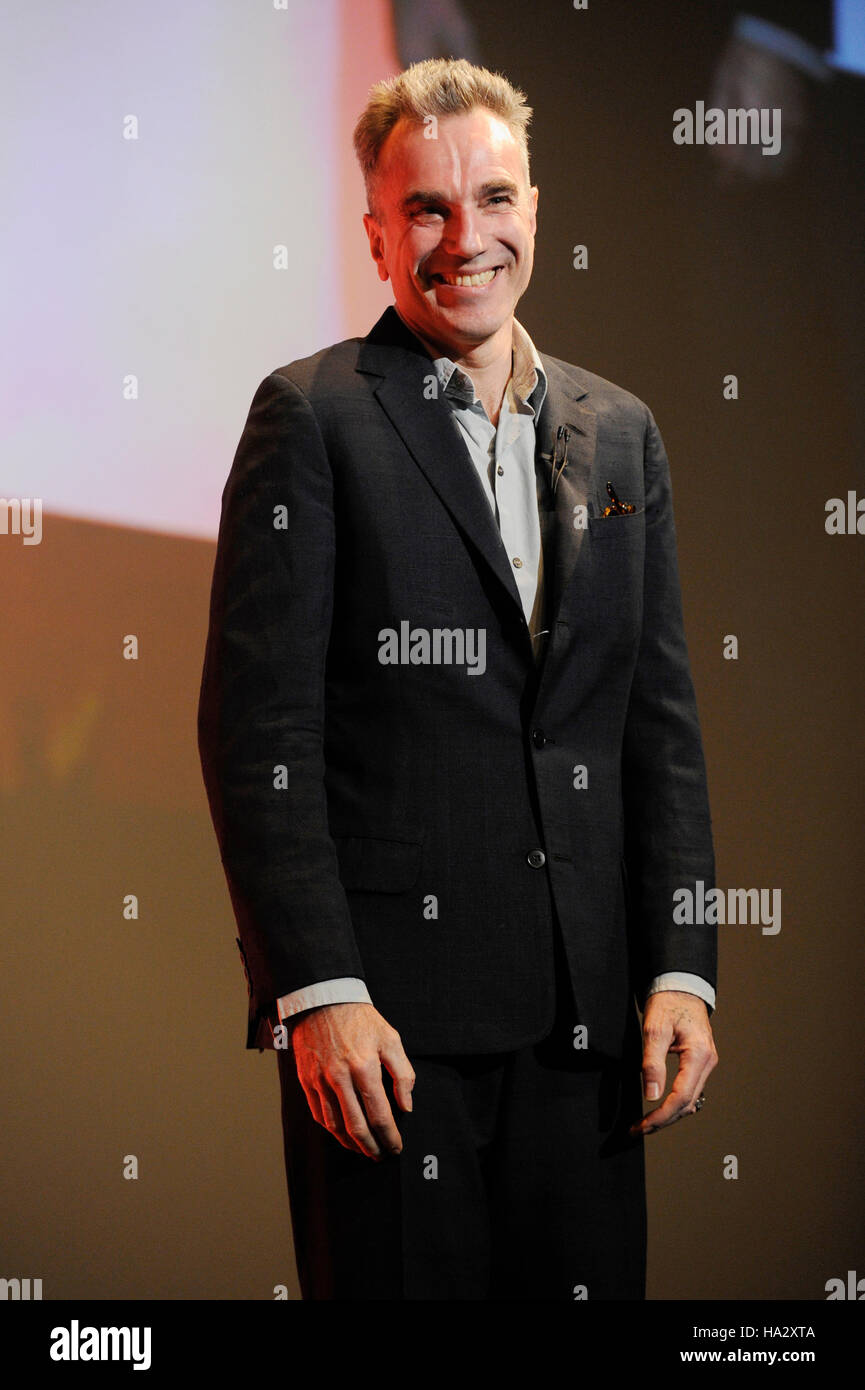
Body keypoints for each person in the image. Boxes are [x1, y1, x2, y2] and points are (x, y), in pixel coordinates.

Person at [197, 57, 718, 1301]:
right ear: (375, 233)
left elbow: (659, 727)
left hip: (588, 1029)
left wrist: (681, 963)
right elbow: (258, 733)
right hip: (389, 1040)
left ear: (534, 210)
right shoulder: (309, 418)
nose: (464, 236)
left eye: (492, 199)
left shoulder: (623, 430)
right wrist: (316, 992)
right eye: (425, 208)